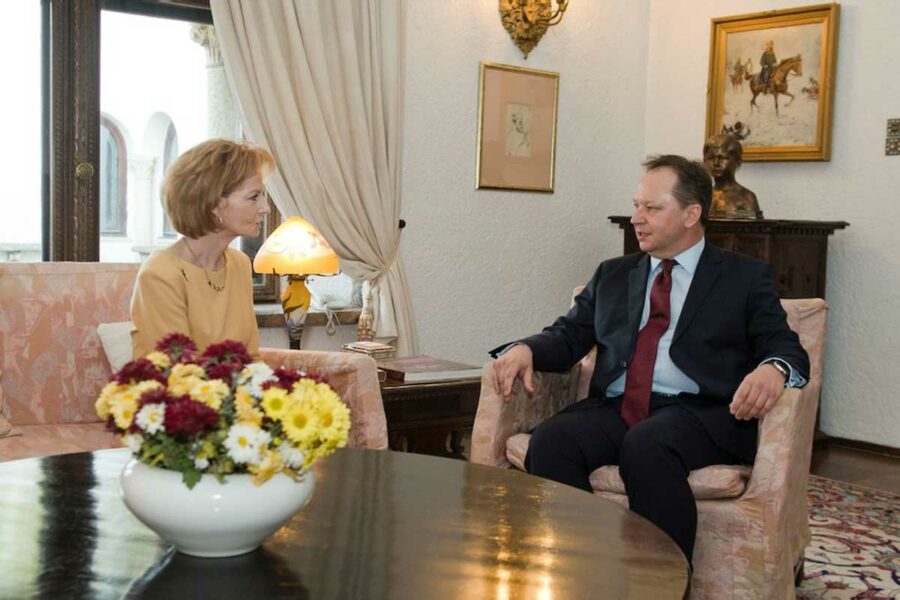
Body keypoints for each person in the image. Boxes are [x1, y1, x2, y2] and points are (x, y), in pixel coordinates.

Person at [489, 155, 808, 563]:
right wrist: (526, 348)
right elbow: (568, 336)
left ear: (692, 214)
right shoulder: (613, 274)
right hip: (620, 407)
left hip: (699, 414)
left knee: (647, 445)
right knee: (552, 441)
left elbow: (784, 345)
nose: (637, 218)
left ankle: (664, 580)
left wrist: (773, 369)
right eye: (637, 205)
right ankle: (581, 568)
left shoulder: (743, 277)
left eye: (652, 208)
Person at [130, 138, 275, 359]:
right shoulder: (160, 273)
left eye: (263, 195)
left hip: (234, 382)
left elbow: (250, 357)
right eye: (254, 197)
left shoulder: (240, 263)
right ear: (214, 204)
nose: (265, 208)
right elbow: (174, 370)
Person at [703, 132, 762, 219]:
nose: (716, 163)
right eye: (711, 158)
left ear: (737, 162)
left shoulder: (746, 197)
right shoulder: (702, 195)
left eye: (722, 158)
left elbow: (752, 226)